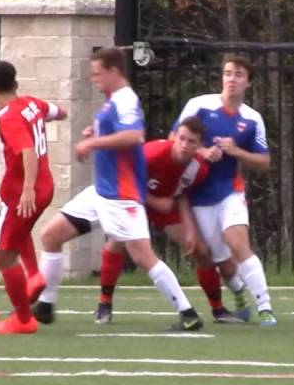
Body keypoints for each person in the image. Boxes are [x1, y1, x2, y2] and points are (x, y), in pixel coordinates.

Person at [31, 48, 204, 332]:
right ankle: (46, 306)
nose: (94, 79)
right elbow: (117, 133)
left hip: (122, 196)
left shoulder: (125, 99)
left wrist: (91, 144)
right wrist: (95, 133)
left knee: (144, 257)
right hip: (102, 191)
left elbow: (134, 136)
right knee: (51, 236)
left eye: (98, 73)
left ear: (114, 71)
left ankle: (187, 313)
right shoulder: (112, 101)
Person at [92, 116, 247, 325]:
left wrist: (190, 229)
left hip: (165, 204)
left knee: (200, 250)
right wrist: (154, 201)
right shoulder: (154, 152)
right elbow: (123, 177)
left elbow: (182, 193)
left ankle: (218, 309)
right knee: (117, 242)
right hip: (133, 199)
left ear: (200, 145)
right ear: (175, 137)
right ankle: (104, 304)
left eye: (191, 141)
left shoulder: (198, 168)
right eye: (181, 138)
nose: (184, 145)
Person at [174, 55, 277, 327]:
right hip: (198, 193)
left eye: (239, 74)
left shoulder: (252, 119)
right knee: (220, 261)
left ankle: (265, 307)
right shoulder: (199, 106)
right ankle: (239, 293)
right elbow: (175, 140)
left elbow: (265, 162)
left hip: (230, 190)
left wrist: (237, 152)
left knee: (239, 244)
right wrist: (201, 151)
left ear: (248, 83)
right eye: (228, 73)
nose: (232, 79)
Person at [0, 60, 67, 335]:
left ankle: (23, 319)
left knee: (4, 257)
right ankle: (34, 276)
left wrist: (27, 189)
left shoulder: (8, 117)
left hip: (23, 193)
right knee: (21, 235)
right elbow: (58, 112)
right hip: (46, 187)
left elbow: (27, 151)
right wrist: (58, 115)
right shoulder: (32, 104)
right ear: (15, 83)